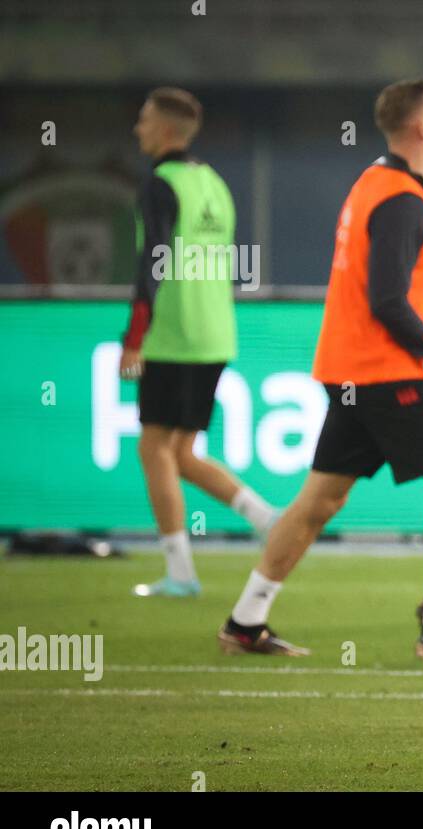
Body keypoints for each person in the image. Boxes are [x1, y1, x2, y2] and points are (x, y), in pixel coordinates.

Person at [216, 78, 423, 660]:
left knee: (319, 502)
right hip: (381, 372)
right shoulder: (404, 198)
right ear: (422, 128)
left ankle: (246, 621)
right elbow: (386, 302)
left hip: (353, 369)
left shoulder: (374, 185)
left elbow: (387, 296)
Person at [121, 86, 279, 599]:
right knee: (181, 452)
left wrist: (134, 335)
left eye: (145, 120)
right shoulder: (213, 183)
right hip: (215, 330)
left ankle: (180, 573)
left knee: (153, 448)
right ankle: (266, 519)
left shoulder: (159, 185)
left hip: (174, 333)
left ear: (166, 130)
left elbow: (155, 259)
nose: (139, 128)